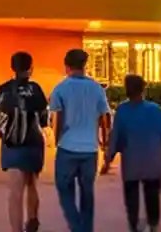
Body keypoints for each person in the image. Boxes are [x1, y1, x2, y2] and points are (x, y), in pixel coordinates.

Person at [101, 74, 161, 232]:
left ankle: (133, 224)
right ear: (143, 89)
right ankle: (153, 224)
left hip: (131, 162)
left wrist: (108, 160)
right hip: (152, 160)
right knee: (152, 193)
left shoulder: (122, 111)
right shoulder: (154, 109)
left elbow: (116, 138)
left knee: (131, 195)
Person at [49, 48, 112, 232]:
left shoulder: (60, 88)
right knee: (87, 192)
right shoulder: (97, 88)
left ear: (66, 66)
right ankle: (86, 228)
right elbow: (105, 117)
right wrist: (104, 142)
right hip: (90, 149)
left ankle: (77, 226)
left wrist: (57, 140)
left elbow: (58, 118)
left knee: (64, 189)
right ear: (85, 65)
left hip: (67, 147)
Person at [0, 51, 49, 232]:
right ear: (30, 68)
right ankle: (32, 219)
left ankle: (16, 229)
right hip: (33, 143)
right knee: (31, 183)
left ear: (12, 67)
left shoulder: (3, 90)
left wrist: (5, 135)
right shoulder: (36, 89)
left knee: (15, 192)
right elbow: (43, 119)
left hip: (12, 145)